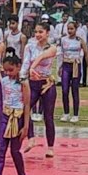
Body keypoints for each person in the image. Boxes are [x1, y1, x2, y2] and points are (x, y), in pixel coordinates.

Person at [0, 48, 29, 175]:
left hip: (17, 117)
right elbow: (0, 101)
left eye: (11, 70)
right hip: (5, 116)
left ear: (18, 67)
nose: (8, 73)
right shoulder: (3, 81)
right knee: (0, 150)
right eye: (6, 71)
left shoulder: (23, 83)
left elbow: (27, 105)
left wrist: (26, 127)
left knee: (15, 151)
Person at [24, 22, 59, 157]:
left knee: (48, 116)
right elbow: (25, 62)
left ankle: (50, 147)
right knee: (24, 110)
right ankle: (31, 137)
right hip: (33, 83)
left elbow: (42, 56)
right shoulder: (30, 46)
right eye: (36, 32)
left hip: (46, 84)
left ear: (47, 33)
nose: (38, 35)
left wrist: (33, 67)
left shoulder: (52, 47)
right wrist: (24, 74)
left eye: (41, 32)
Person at [59, 21, 88, 123]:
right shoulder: (63, 40)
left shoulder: (80, 40)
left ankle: (75, 114)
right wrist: (60, 67)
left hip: (75, 65)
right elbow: (62, 54)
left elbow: (86, 55)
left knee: (74, 90)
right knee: (64, 90)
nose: (70, 31)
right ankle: (66, 113)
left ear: (76, 29)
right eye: (68, 29)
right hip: (66, 65)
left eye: (72, 29)